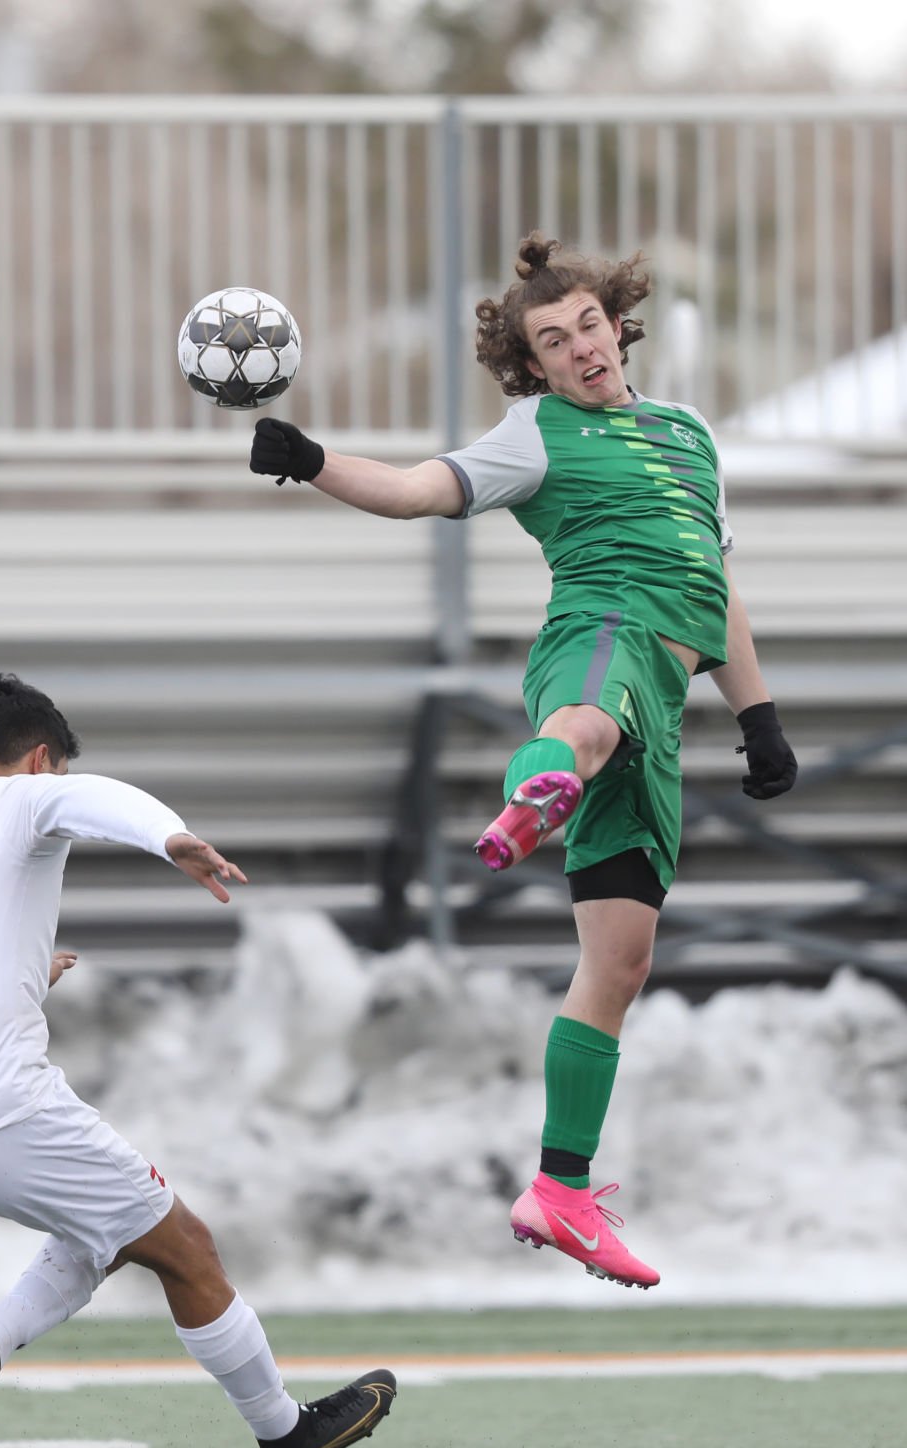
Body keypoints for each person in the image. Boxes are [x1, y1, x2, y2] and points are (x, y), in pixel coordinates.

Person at [249, 232, 797, 1291]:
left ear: (615, 324)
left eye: (587, 323)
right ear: (532, 365)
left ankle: (557, 1188)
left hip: (666, 700)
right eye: (553, 340)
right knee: (588, 727)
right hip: (600, 636)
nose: (579, 347)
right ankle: (533, 791)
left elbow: (715, 583)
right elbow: (415, 489)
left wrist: (758, 712)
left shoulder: (687, 436)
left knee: (618, 961)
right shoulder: (531, 435)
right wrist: (312, 460)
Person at [0, 673, 395, 1448]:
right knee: (185, 1246)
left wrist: (19, 974)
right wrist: (172, 836)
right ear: (38, 756)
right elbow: (88, 797)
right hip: (0, 1112)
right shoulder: (18, 797)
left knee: (105, 1234)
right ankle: (284, 1433)